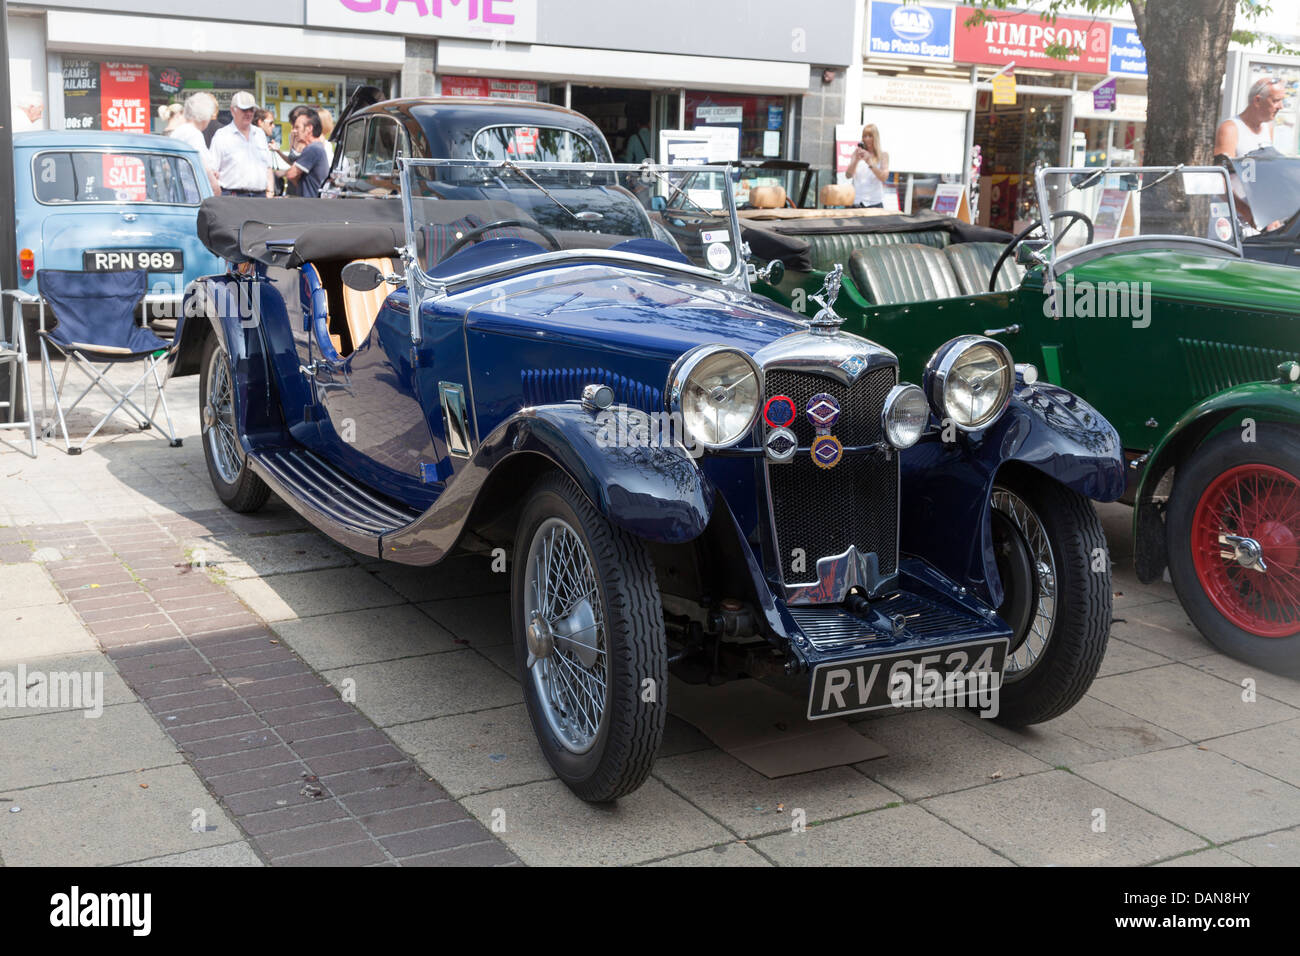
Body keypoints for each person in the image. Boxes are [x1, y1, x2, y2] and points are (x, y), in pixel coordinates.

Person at [209, 90, 274, 197]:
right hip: (232, 196)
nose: (248, 113)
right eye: (244, 110)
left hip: (260, 197)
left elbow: (267, 167)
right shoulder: (222, 135)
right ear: (232, 110)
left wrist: (270, 191)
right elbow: (212, 171)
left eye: (251, 110)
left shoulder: (259, 134)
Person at [1215, 76, 1285, 157]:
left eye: (1282, 100)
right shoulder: (1230, 129)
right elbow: (1223, 168)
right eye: (1276, 101)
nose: (1281, 106)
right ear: (1257, 100)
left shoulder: (1268, 128)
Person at [171, 92, 220, 195]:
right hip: (192, 192)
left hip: (178, 191)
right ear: (205, 116)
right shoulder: (194, 135)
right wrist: (215, 187)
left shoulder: (178, 132)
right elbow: (203, 167)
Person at [282, 108, 330, 198]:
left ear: (309, 129)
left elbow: (291, 174)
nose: (294, 131)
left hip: (311, 203)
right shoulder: (316, 147)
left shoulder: (313, 149)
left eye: (297, 127)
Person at [846, 123, 889, 209]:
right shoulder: (856, 153)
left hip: (874, 203)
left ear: (876, 137)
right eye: (864, 136)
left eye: (870, 136)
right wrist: (856, 161)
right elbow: (848, 175)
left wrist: (869, 162)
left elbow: (884, 177)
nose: (867, 139)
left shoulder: (883, 155)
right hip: (857, 202)